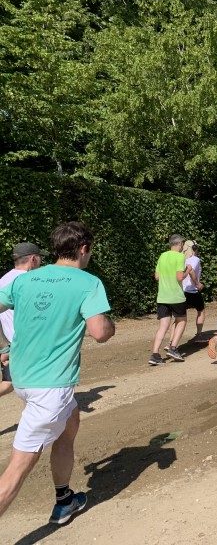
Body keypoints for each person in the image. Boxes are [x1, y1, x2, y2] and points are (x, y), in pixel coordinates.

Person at [0, 222, 115, 523]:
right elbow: (100, 332)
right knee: (16, 471)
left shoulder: (26, 279)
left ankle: (64, 498)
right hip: (50, 386)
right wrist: (110, 324)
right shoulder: (88, 283)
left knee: (71, 418)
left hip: (22, 378)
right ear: (84, 248)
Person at [0, 243, 46, 398]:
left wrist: (4, 347)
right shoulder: (29, 281)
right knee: (38, 387)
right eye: (40, 258)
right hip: (27, 344)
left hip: (10, 343)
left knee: (10, 383)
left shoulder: (3, 280)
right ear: (33, 259)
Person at [150, 234, 193, 366]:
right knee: (182, 320)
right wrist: (188, 270)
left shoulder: (162, 256)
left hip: (162, 296)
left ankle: (155, 354)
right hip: (176, 296)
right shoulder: (180, 257)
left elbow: (157, 276)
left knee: (163, 326)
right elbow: (180, 277)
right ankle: (173, 348)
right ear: (180, 244)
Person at [181, 241, 205, 340]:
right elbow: (191, 271)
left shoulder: (181, 258)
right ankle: (199, 335)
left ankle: (171, 343)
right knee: (201, 311)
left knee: (180, 317)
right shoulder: (195, 259)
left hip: (182, 290)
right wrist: (197, 284)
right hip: (192, 290)